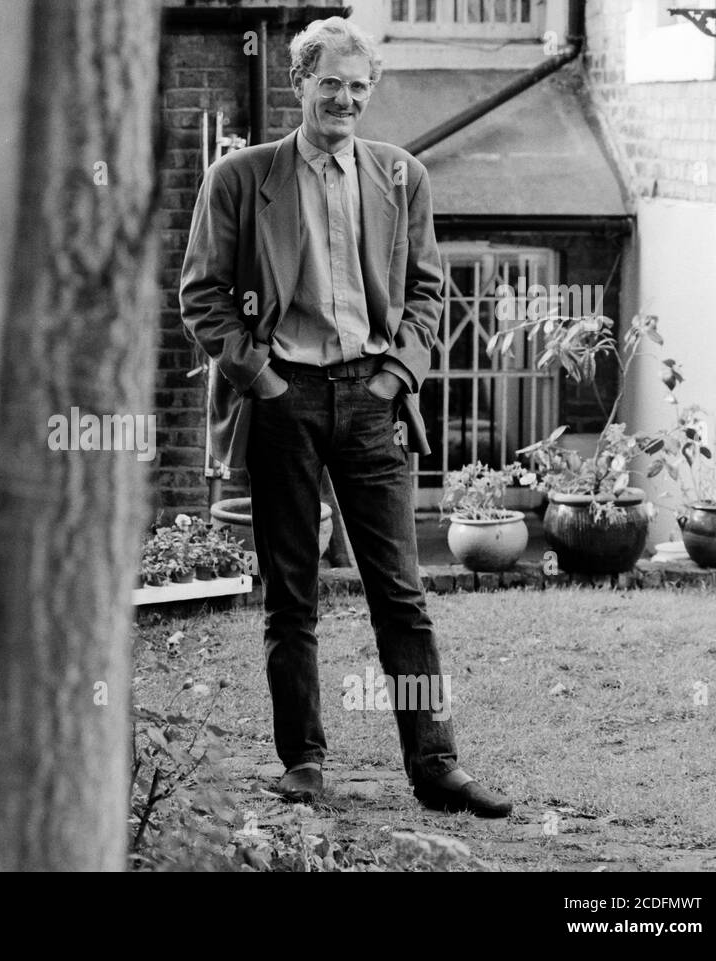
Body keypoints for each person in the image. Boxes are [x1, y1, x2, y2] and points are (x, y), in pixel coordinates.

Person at [180, 16, 511, 817]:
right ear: (300, 85)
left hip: (372, 400)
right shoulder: (240, 178)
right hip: (283, 401)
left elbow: (428, 293)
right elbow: (202, 295)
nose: (347, 100)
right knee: (290, 596)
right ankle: (304, 761)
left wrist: (398, 376)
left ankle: (437, 764)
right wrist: (260, 379)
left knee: (401, 593)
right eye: (331, 83)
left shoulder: (402, 176)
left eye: (360, 87)